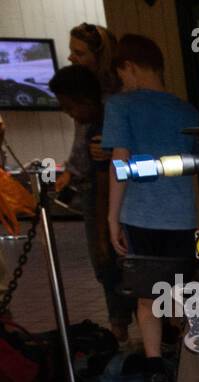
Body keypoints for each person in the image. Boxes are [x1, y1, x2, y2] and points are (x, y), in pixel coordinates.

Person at [101, 34, 199, 382]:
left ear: (129, 67)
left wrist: (111, 217)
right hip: (181, 216)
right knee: (182, 295)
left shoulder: (121, 106)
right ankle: (195, 374)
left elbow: (120, 164)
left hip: (140, 214)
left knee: (148, 300)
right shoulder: (186, 112)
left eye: (122, 73)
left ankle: (158, 375)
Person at [49, 65, 133, 343]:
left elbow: (102, 184)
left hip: (111, 206)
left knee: (112, 269)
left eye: (69, 107)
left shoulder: (102, 128)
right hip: (118, 207)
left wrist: (101, 231)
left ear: (83, 100)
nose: (68, 113)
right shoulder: (104, 121)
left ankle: (121, 329)